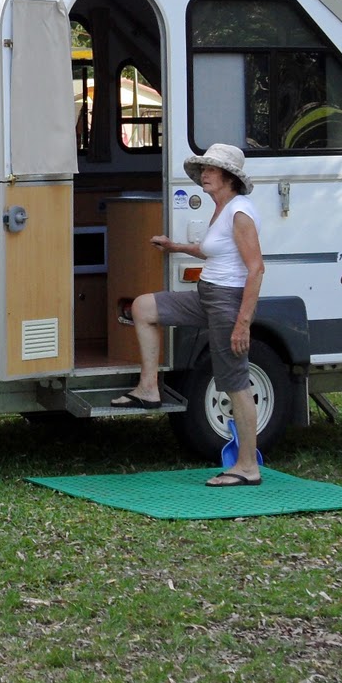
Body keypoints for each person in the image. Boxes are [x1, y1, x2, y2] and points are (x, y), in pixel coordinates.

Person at [111, 143, 267, 487]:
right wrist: (176, 246)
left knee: (234, 383)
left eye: (210, 170)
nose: (204, 176)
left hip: (227, 303)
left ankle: (247, 467)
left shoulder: (240, 212)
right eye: (204, 170)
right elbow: (214, 249)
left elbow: (255, 269)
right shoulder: (222, 209)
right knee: (144, 307)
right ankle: (149, 389)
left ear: (228, 177)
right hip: (206, 296)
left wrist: (242, 323)